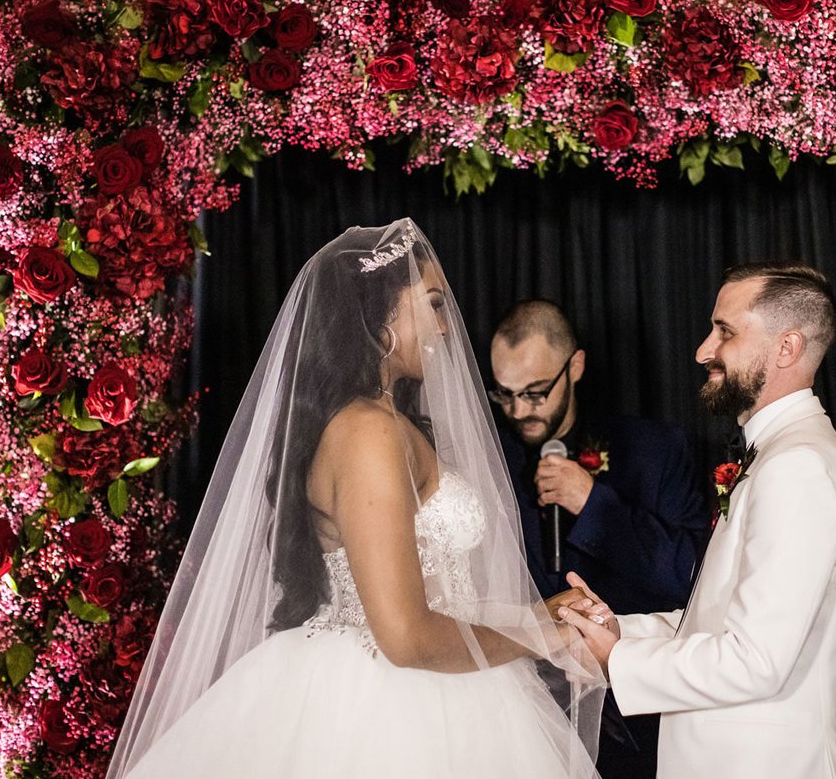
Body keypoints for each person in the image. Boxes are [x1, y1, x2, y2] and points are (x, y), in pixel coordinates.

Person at [107, 220, 602, 778]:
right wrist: (539, 638)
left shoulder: (381, 423)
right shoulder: (368, 434)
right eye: (434, 304)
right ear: (379, 316)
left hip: (439, 684)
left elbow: (438, 599)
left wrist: (535, 615)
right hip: (393, 708)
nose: (446, 327)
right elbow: (406, 636)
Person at [560, 262, 836, 779]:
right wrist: (620, 631)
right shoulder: (779, 455)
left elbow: (756, 660)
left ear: (786, 348)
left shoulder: (800, 467)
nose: (703, 350)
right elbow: (720, 621)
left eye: (724, 331)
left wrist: (618, 660)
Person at [488, 300, 710, 778]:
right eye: (504, 395)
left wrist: (595, 504)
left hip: (636, 717)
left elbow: (692, 580)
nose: (519, 410)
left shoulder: (653, 450)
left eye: (535, 392)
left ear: (576, 367)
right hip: (520, 715)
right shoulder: (488, 460)